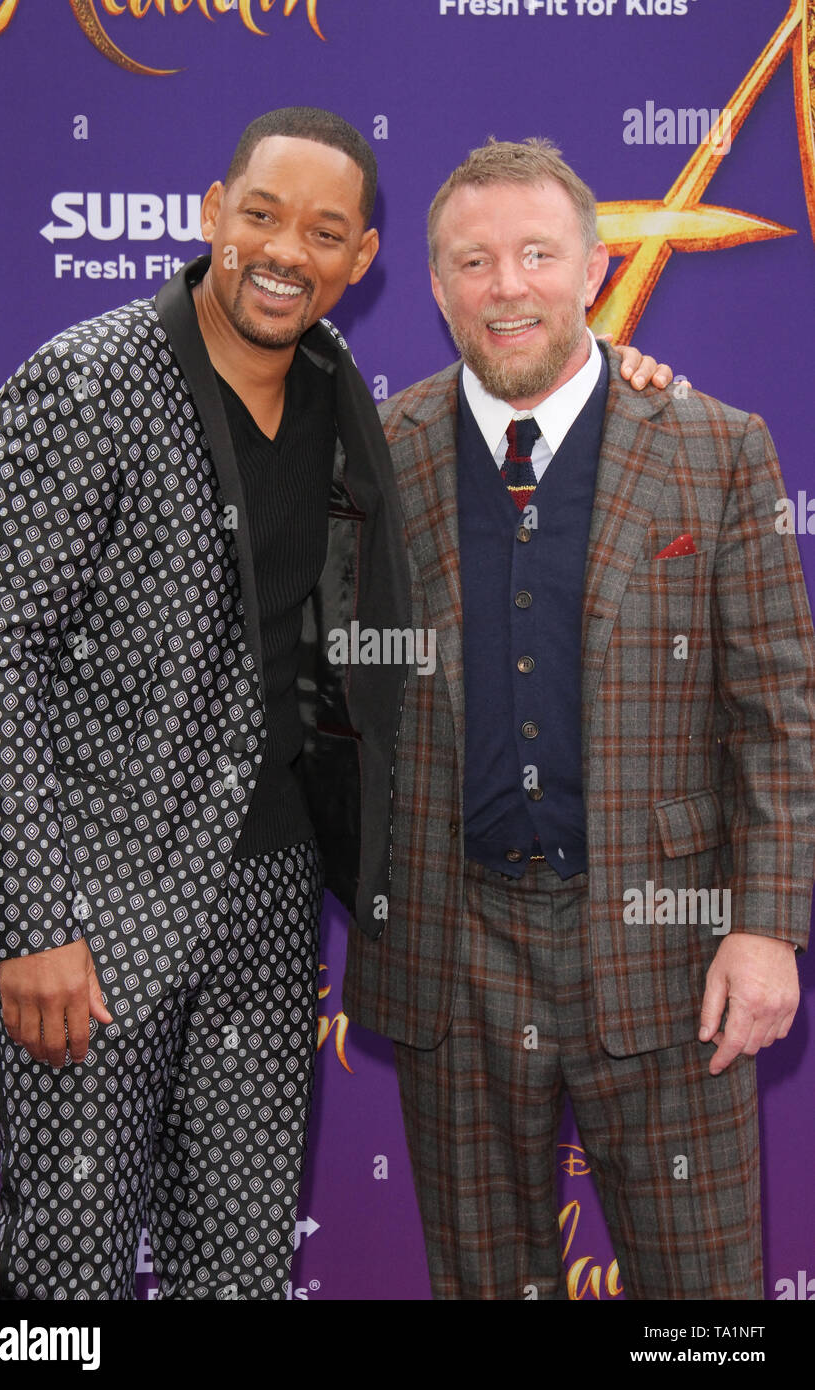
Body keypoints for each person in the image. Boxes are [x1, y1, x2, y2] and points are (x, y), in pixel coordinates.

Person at [0, 109, 668, 1301]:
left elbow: (534, 405)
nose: (287, 250)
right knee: (62, 1281)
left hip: (270, 907)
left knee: (235, 1268)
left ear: (362, 260)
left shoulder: (344, 402)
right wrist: (28, 917)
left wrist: (629, 376)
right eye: (263, 215)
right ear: (211, 216)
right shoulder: (84, 383)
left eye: (323, 232)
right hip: (88, 916)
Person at [343, 136, 815, 1301]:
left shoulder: (713, 448)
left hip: (667, 950)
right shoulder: (375, 455)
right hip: (451, 951)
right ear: (437, 283)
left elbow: (777, 712)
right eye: (473, 261)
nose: (506, 285)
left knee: (701, 1302)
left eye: (536, 253)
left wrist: (765, 927)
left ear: (594, 268)